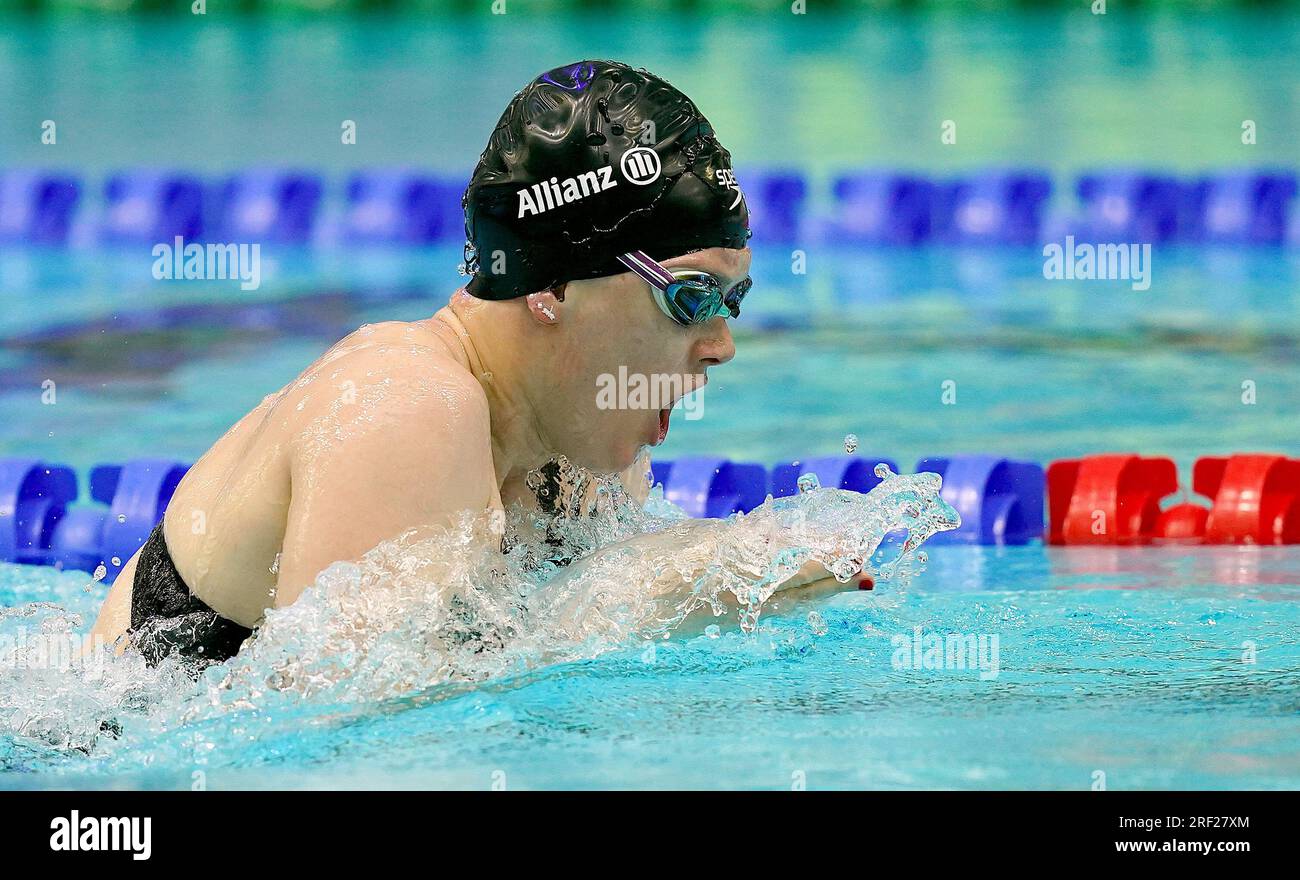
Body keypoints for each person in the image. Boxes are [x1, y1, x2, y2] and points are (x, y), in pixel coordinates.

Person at [88, 59, 851, 668]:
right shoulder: (405, 403)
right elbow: (341, 725)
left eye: (734, 299)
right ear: (555, 283)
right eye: (692, 297)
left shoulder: (585, 453)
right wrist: (674, 586)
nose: (723, 342)